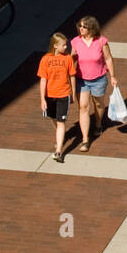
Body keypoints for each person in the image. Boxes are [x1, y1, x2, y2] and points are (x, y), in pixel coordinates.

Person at [71, 16, 117, 152]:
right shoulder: (76, 42)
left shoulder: (101, 41)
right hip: (81, 80)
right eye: (80, 26)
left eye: (84, 27)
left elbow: (108, 58)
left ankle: (98, 123)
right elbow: (72, 60)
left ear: (91, 28)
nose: (81, 28)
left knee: (98, 104)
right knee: (83, 107)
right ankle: (85, 139)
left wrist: (113, 76)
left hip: (98, 79)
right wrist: (70, 77)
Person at [37, 32, 77, 163]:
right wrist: (42, 98)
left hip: (63, 95)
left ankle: (59, 150)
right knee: (54, 118)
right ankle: (61, 135)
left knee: (61, 122)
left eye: (67, 45)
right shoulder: (45, 59)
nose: (66, 47)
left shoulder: (68, 59)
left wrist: (73, 92)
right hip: (50, 95)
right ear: (55, 46)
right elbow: (43, 80)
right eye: (64, 45)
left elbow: (72, 76)